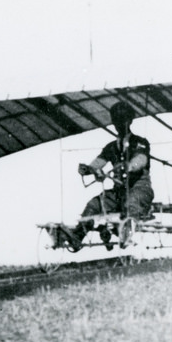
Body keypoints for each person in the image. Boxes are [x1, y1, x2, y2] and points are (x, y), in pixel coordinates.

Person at [64, 101, 154, 250]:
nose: (119, 124)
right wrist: (88, 169)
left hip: (140, 189)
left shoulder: (140, 142)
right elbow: (98, 162)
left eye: (122, 119)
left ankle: (124, 232)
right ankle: (77, 237)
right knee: (94, 204)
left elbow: (141, 159)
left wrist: (130, 166)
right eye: (117, 120)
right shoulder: (111, 147)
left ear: (129, 120)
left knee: (130, 205)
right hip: (118, 193)